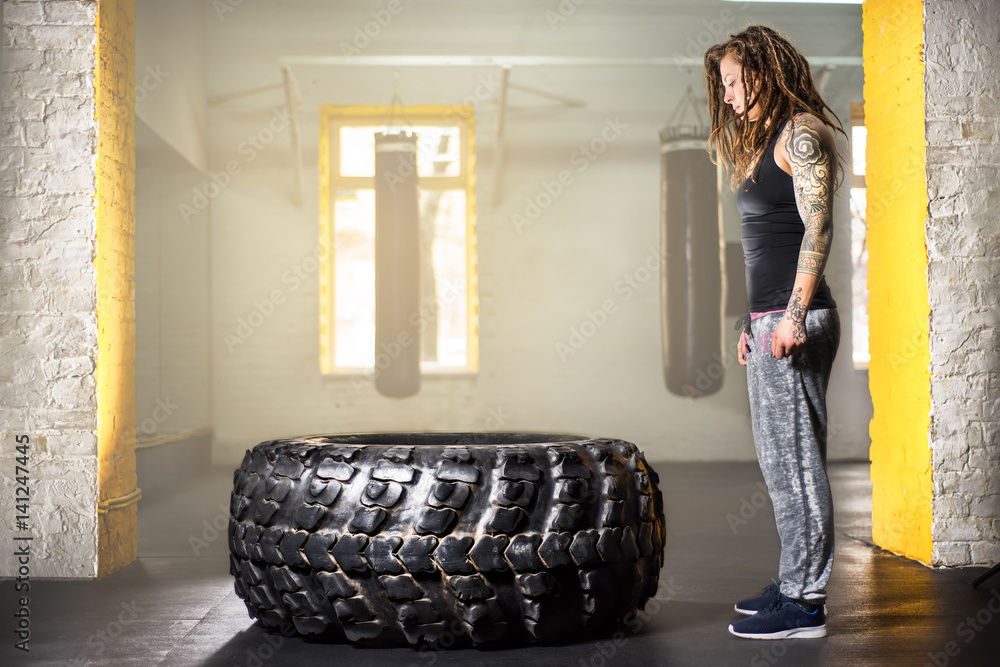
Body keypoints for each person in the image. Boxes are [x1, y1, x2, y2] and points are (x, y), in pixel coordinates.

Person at [704, 25, 846, 640]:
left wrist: (790, 317)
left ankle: (807, 603)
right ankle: (792, 580)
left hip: (800, 321)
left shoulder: (802, 134)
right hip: (769, 321)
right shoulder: (763, 143)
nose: (729, 97)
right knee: (778, 462)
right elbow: (764, 246)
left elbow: (816, 232)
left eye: (734, 82)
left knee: (799, 461)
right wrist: (751, 321)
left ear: (763, 71)